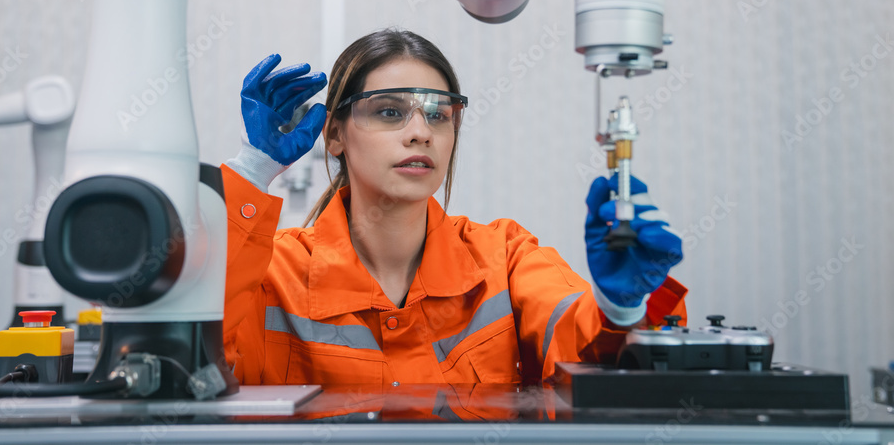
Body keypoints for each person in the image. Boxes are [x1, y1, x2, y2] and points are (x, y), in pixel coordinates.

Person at [220, 28, 686, 385]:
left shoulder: (504, 258)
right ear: (336, 134)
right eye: (389, 111)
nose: (421, 131)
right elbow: (190, 363)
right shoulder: (271, 272)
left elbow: (584, 356)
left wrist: (621, 309)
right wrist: (252, 170)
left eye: (438, 114)